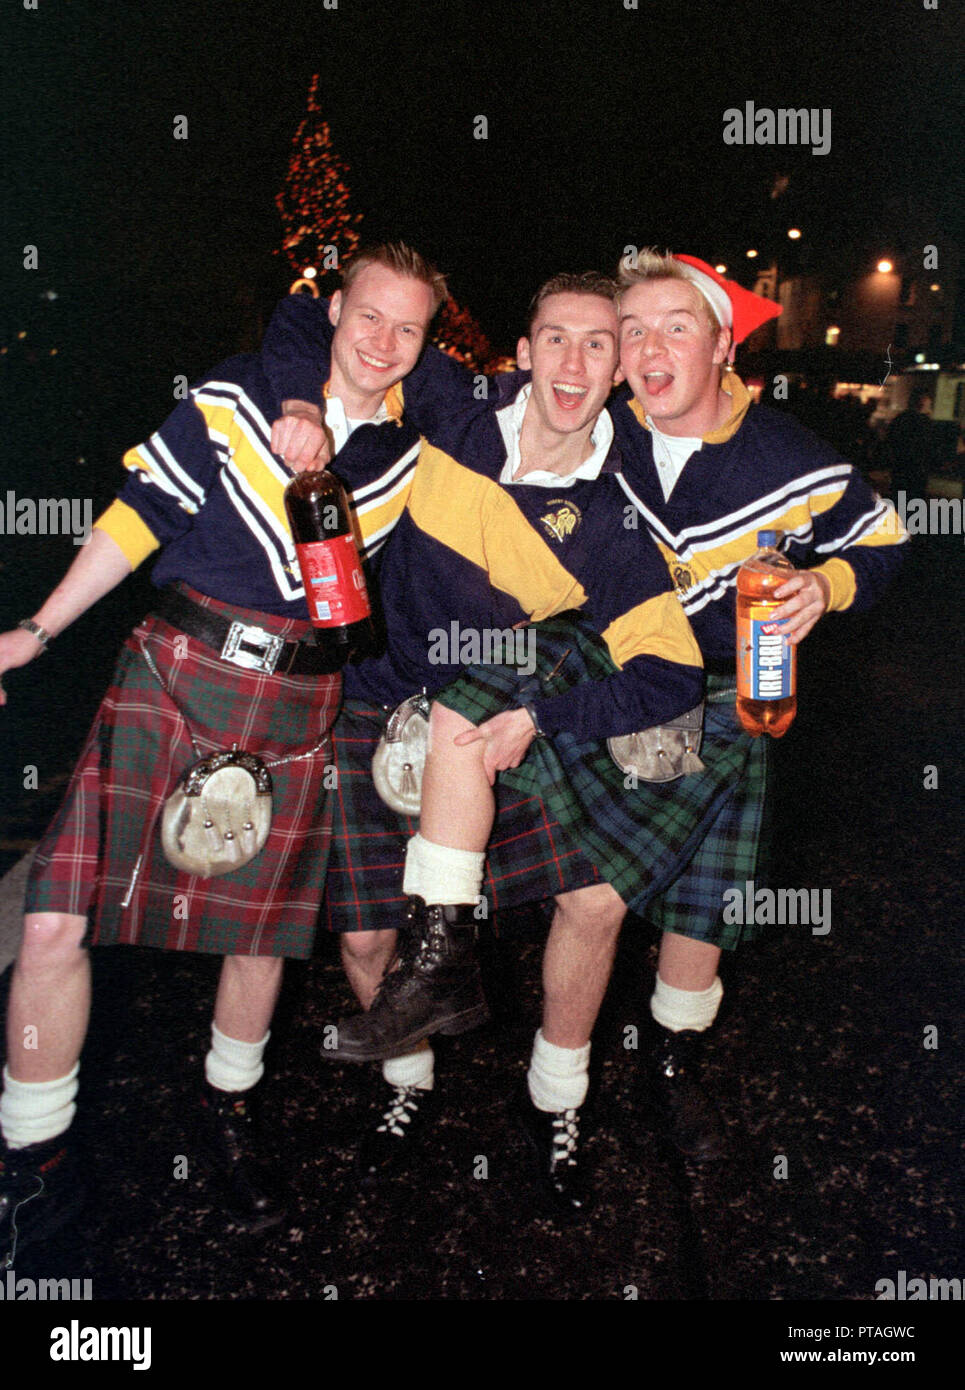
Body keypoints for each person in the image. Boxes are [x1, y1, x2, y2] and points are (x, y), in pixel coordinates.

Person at [0, 243, 446, 1263]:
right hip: (176, 665)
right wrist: (36, 630)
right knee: (56, 923)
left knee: (263, 941)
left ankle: (228, 1117)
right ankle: (36, 1164)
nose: (380, 342)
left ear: (423, 344)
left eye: (405, 328)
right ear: (333, 308)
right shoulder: (236, 399)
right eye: (366, 315)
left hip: (302, 698)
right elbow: (137, 518)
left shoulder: (412, 459)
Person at [263, 273, 710, 1211]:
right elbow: (315, 310)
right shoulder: (457, 405)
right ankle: (409, 1078)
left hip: (498, 708)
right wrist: (301, 401)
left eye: (598, 345)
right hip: (377, 696)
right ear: (521, 350)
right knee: (362, 932)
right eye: (555, 339)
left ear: (620, 369)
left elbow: (668, 674)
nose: (573, 363)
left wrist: (541, 718)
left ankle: (555, 1098)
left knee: (592, 903)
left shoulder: (613, 522)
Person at [603, 249, 908, 1151]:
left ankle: (671, 1066)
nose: (649, 348)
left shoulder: (788, 454)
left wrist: (829, 584)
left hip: (734, 694)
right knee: (589, 894)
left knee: (705, 898)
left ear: (721, 345)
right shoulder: (591, 432)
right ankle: (560, 1073)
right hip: (609, 685)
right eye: (632, 330)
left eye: (675, 327)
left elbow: (883, 537)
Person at [886, 385, 937, 501]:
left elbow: (890, 440)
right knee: (914, 500)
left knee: (899, 498)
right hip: (918, 470)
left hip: (899, 468)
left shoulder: (899, 419)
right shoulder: (925, 423)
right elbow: (930, 446)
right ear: (923, 402)